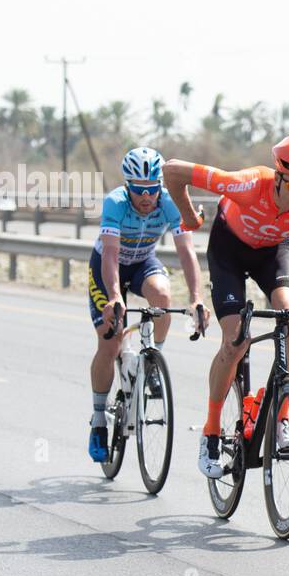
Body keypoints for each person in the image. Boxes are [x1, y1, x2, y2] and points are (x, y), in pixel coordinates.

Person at [162, 135, 289, 479]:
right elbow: (172, 171)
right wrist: (189, 217)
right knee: (235, 339)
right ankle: (211, 430)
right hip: (228, 251)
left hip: (272, 253)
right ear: (278, 177)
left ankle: (279, 413)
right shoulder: (247, 183)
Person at [88, 146, 208, 462]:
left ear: (159, 186)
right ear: (128, 187)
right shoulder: (115, 203)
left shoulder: (169, 203)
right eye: (139, 191)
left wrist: (196, 297)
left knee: (163, 298)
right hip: (107, 268)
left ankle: (152, 362)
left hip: (143, 262)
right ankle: (99, 418)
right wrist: (114, 295)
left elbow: (186, 252)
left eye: (151, 190)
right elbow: (111, 255)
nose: (146, 197)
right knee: (109, 342)